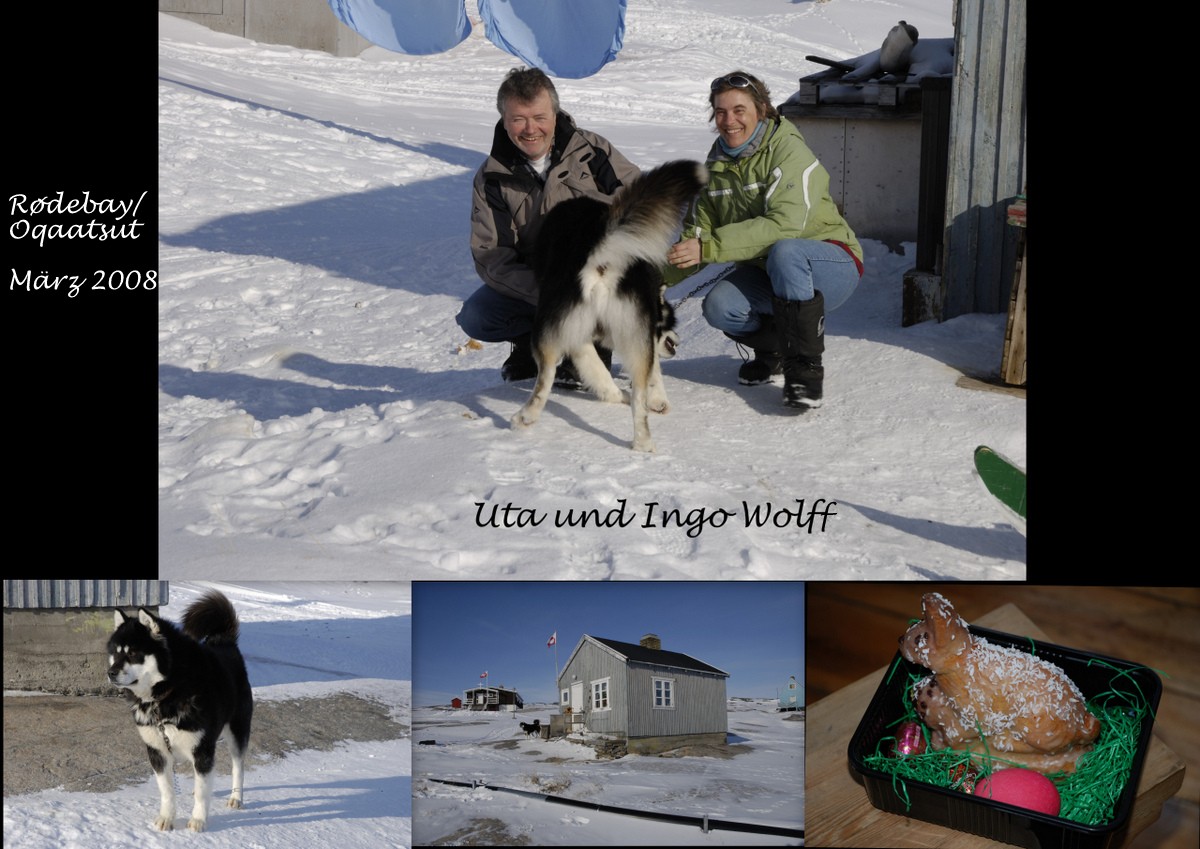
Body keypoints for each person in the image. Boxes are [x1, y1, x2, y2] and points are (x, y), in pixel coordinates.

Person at [666, 71, 863, 411]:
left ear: (762, 109)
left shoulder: (788, 150)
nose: (729, 121)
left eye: (739, 110)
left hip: (829, 262)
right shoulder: (715, 167)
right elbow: (695, 236)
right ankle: (771, 353)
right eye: (721, 111)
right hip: (768, 273)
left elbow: (786, 226)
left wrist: (711, 247)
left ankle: (804, 371)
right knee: (719, 306)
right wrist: (653, 279)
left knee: (786, 251)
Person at [459, 67, 641, 387]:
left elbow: (642, 204)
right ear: (504, 119)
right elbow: (492, 255)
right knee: (478, 315)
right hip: (538, 283)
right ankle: (532, 340)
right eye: (518, 119)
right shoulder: (492, 177)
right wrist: (549, 294)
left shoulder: (592, 152)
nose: (531, 129)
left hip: (598, 279)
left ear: (555, 115)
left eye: (540, 117)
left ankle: (591, 350)